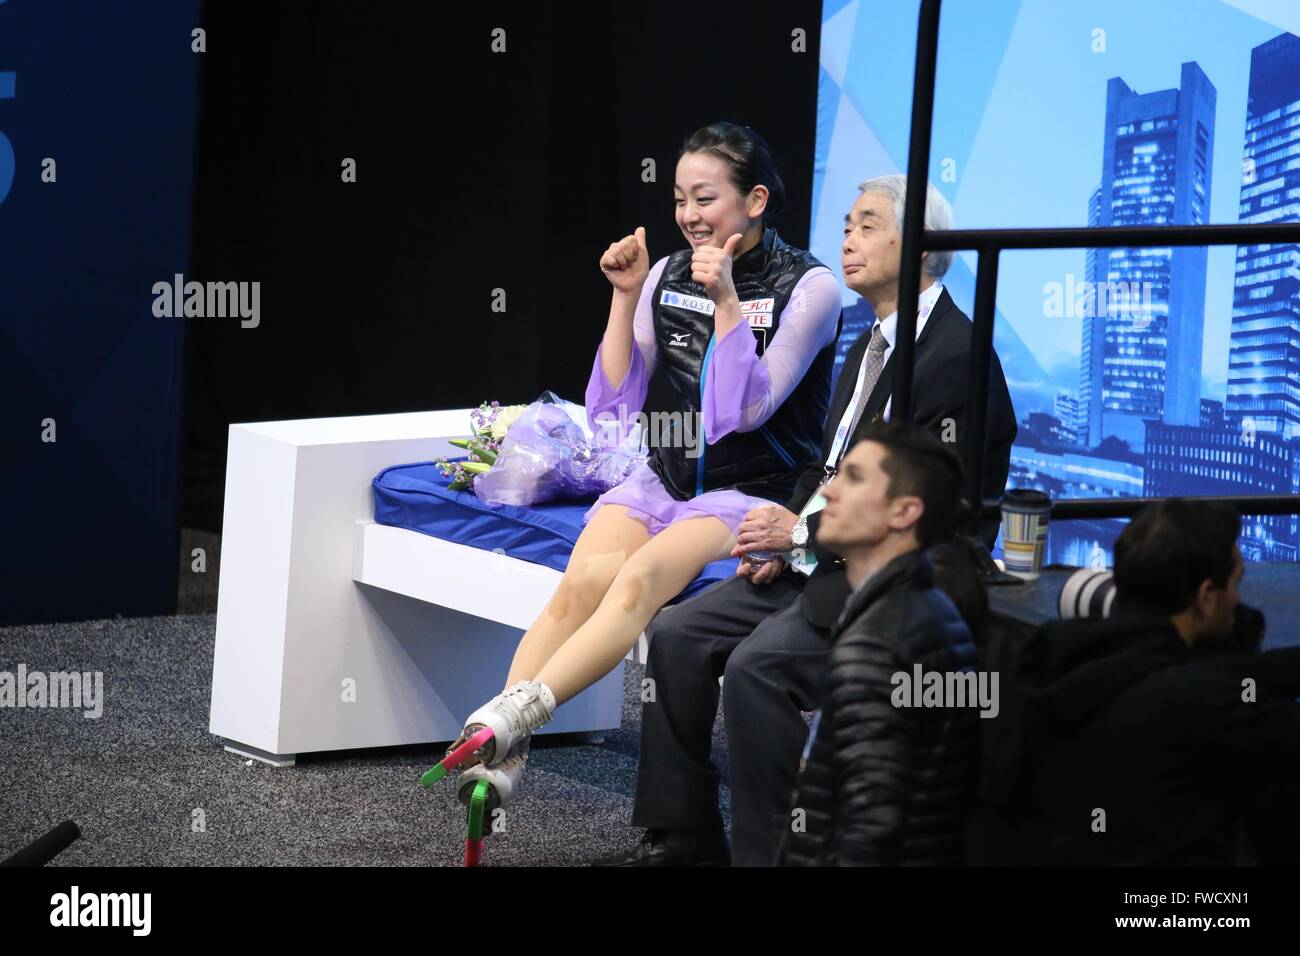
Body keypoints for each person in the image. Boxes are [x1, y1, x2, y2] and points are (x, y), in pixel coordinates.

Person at [595, 174, 1016, 867]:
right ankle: (686, 835)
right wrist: (786, 529)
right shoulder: (869, 343)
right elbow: (827, 469)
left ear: (921, 248)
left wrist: (803, 537)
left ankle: (781, 855)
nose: (848, 239)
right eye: (847, 224)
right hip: (819, 559)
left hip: (889, 582)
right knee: (675, 632)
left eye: (868, 225)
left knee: (759, 670)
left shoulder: (955, 357)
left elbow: (932, 512)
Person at [443, 122, 844, 808]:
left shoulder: (809, 288)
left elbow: (739, 413)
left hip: (747, 489)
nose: (689, 215)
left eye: (705, 198)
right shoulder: (666, 273)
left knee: (636, 583)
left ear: (755, 201)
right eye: (680, 199)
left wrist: (725, 303)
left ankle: (514, 717)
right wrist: (626, 294)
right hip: (660, 474)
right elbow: (613, 407)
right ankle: (508, 755)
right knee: (580, 584)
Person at [968, 500, 1300, 866]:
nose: (1238, 600)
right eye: (1236, 583)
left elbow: (1203, 675)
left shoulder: (1059, 653)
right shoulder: (1198, 702)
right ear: (1206, 597)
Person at [777, 423, 979, 865]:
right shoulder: (925, 609)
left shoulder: (876, 647)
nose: (829, 493)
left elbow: (872, 825)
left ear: (904, 512)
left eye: (854, 478)